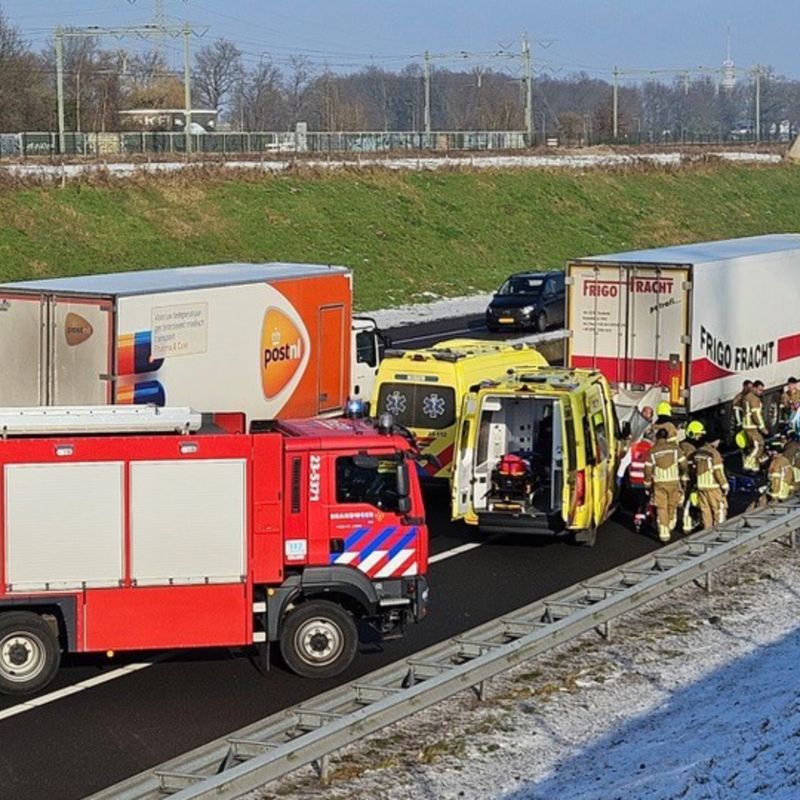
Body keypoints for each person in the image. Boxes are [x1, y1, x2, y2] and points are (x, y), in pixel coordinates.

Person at [644, 427, 688, 543]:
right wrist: (683, 476)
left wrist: (647, 483)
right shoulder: (675, 449)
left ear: (657, 438)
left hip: (659, 482)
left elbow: (647, 470)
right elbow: (683, 464)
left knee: (661, 506)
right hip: (673, 481)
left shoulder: (652, 451)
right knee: (672, 503)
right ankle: (671, 521)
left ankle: (664, 531)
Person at [691, 422, 729, 529]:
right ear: (714, 441)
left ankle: (707, 533)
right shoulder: (714, 453)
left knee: (705, 511)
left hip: (701, 487)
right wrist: (725, 486)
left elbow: (694, 470)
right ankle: (719, 533)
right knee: (719, 510)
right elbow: (718, 472)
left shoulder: (698, 452)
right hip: (713, 487)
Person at [680, 419, 704, 530]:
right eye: (698, 434)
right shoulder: (691, 449)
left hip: (679, 478)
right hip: (688, 479)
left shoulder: (681, 445)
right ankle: (688, 523)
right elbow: (692, 466)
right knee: (689, 501)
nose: (700, 437)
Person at [741, 380, 769, 473]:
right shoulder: (754, 399)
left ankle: (754, 465)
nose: (761, 392)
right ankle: (748, 463)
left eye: (762, 391)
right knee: (759, 444)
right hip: (751, 426)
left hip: (746, 425)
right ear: (754, 388)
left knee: (752, 446)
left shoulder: (746, 397)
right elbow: (756, 414)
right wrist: (762, 427)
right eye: (759, 390)